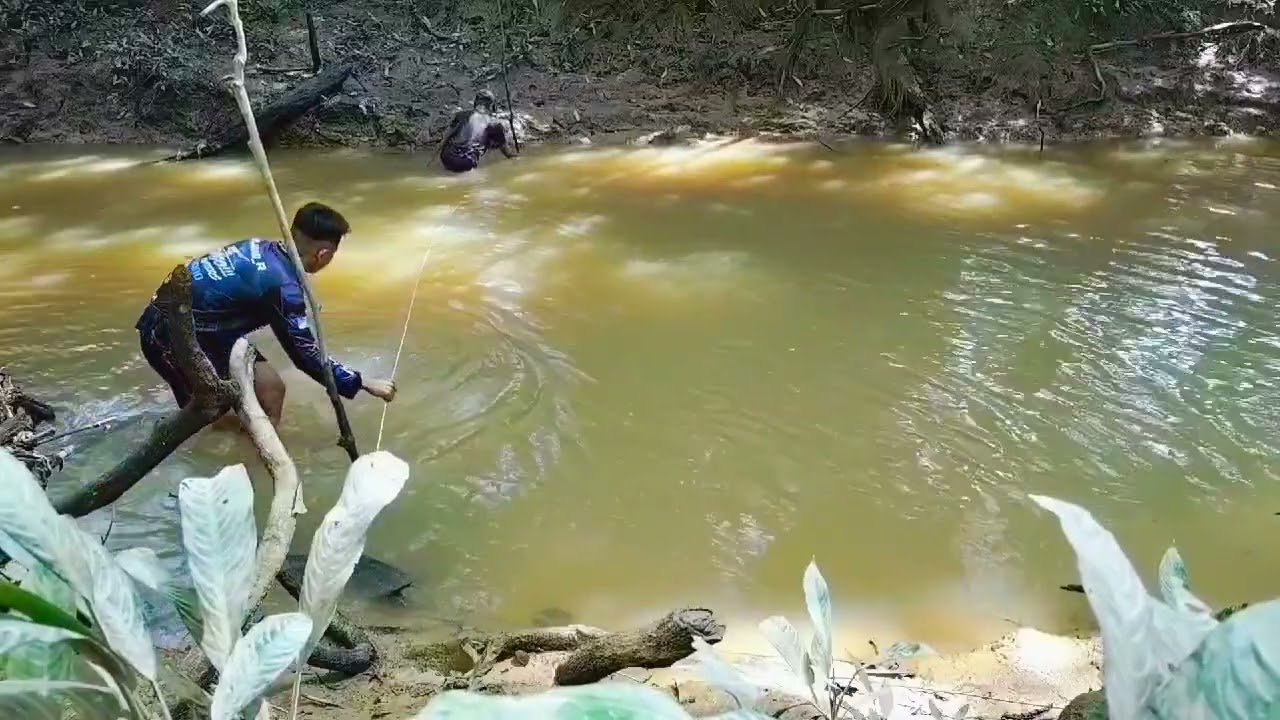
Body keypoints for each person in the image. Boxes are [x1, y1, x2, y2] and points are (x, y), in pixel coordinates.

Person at [135, 202, 396, 428]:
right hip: (170, 336)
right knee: (212, 415)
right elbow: (306, 356)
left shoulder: (261, 247)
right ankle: (226, 459)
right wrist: (363, 382)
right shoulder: (283, 287)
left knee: (271, 391)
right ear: (322, 254)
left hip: (211, 329)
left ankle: (255, 454)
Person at [439, 89, 518, 173]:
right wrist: (516, 158)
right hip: (466, 162)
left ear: (475, 102)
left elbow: (446, 136)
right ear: (491, 106)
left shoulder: (460, 115)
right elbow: (507, 152)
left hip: (447, 156)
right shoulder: (495, 124)